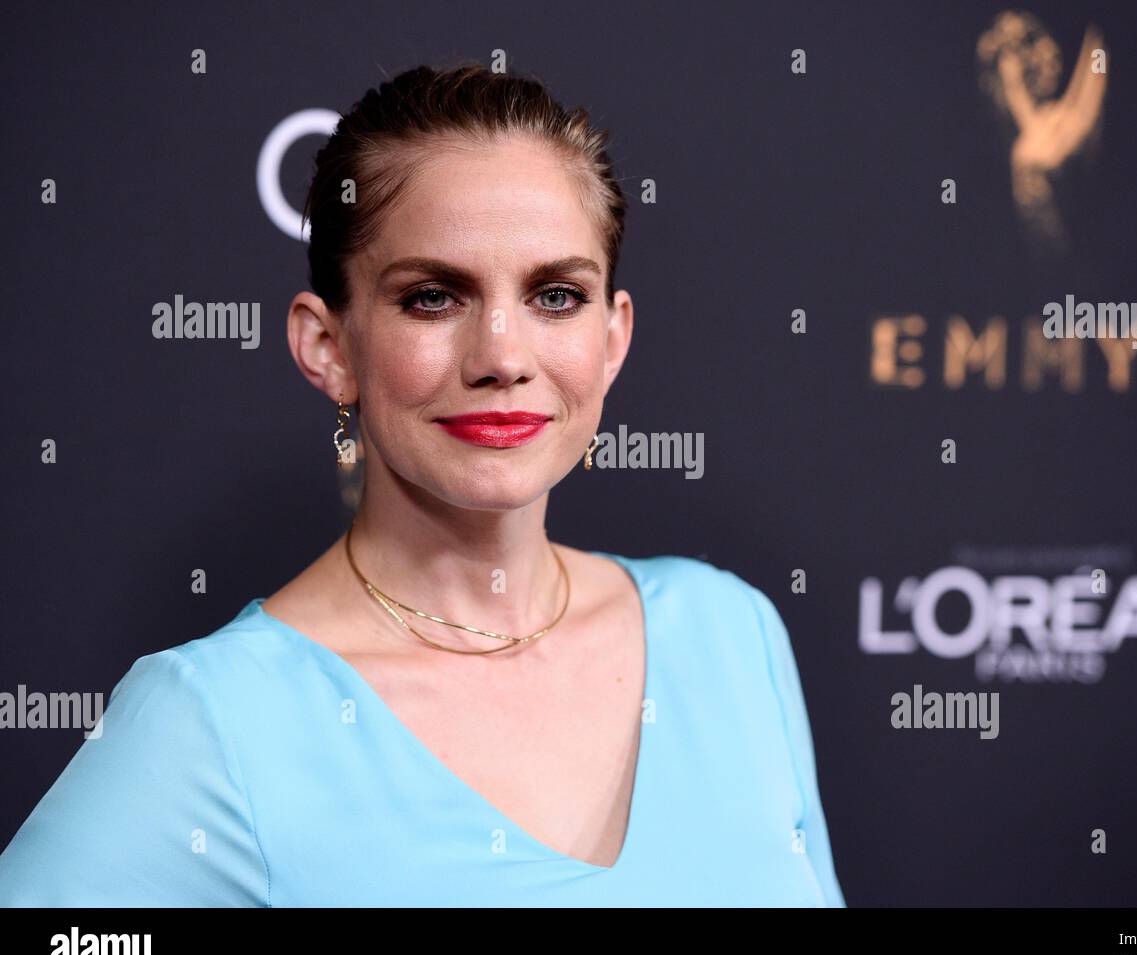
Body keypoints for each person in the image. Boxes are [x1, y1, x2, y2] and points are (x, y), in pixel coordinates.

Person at [0, 63, 845, 907]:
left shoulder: (730, 634)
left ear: (612, 339)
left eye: (556, 295)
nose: (503, 356)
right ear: (329, 347)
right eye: (434, 297)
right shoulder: (215, 718)